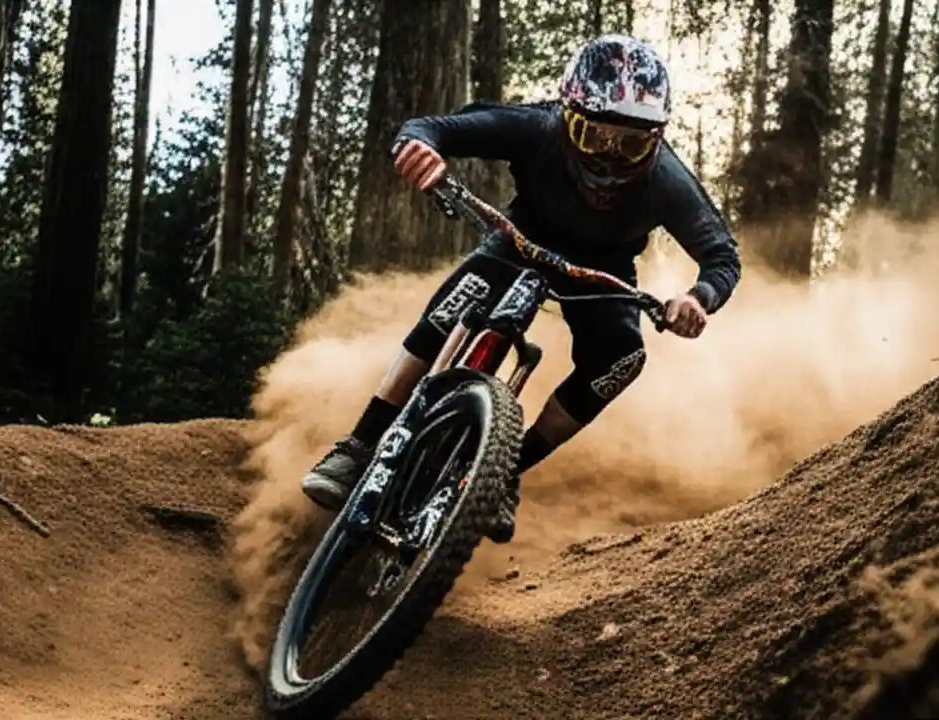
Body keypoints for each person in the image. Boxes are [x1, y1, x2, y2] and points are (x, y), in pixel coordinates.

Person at [301, 34, 741, 544]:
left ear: (657, 140)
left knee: (622, 358)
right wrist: (421, 151)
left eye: (633, 144)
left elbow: (722, 257)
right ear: (566, 113)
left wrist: (697, 297)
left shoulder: (667, 179)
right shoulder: (537, 127)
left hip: (602, 268)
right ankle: (358, 446)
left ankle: (503, 473)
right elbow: (430, 129)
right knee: (452, 309)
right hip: (519, 239)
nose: (610, 158)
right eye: (593, 135)